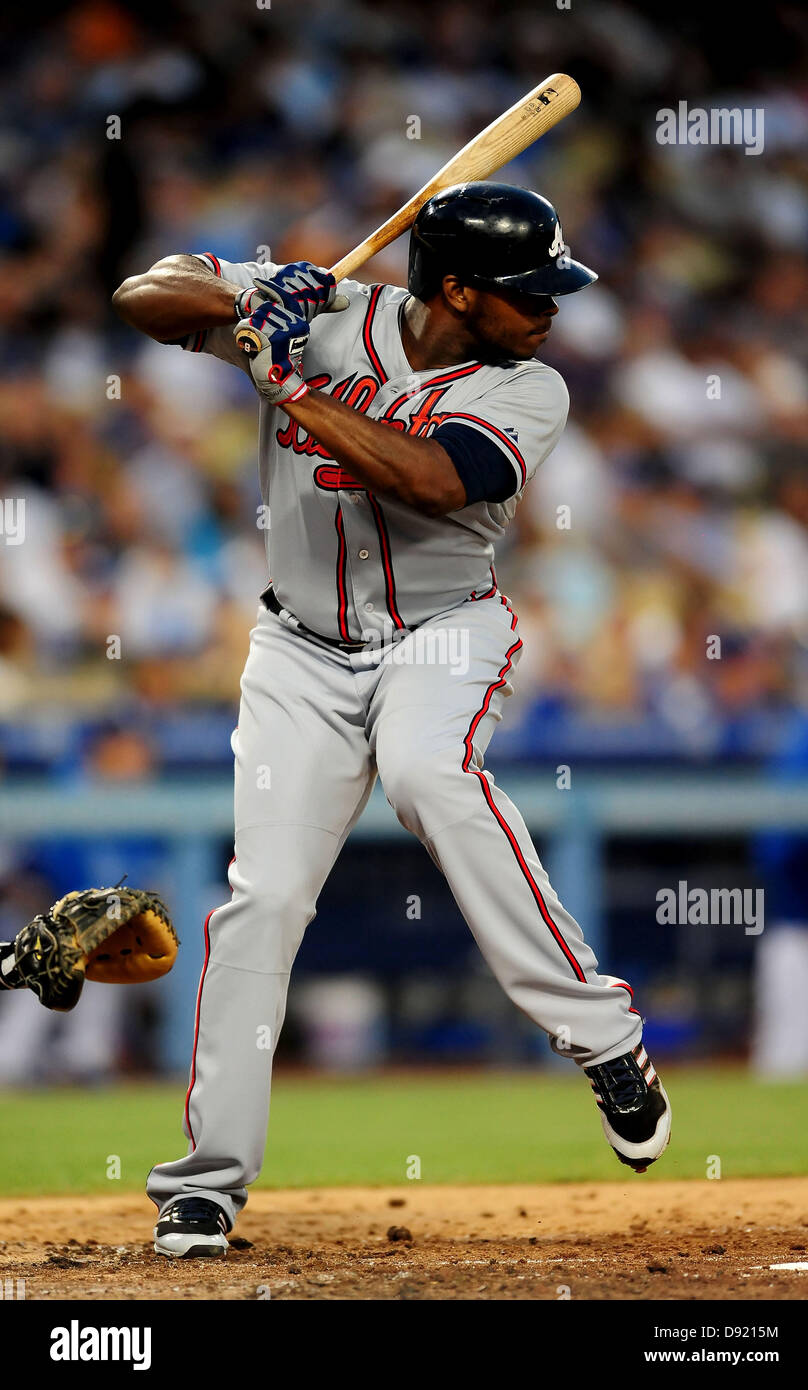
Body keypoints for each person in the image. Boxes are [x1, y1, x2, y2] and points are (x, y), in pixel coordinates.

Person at [113, 182, 671, 1260]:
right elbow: (144, 294)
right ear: (456, 289)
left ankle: (601, 1035)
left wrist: (286, 383)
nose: (553, 309)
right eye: (529, 291)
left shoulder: (532, 389)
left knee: (428, 776)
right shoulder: (323, 315)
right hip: (297, 649)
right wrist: (252, 302)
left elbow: (430, 478)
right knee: (263, 898)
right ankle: (206, 1186)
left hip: (444, 634)